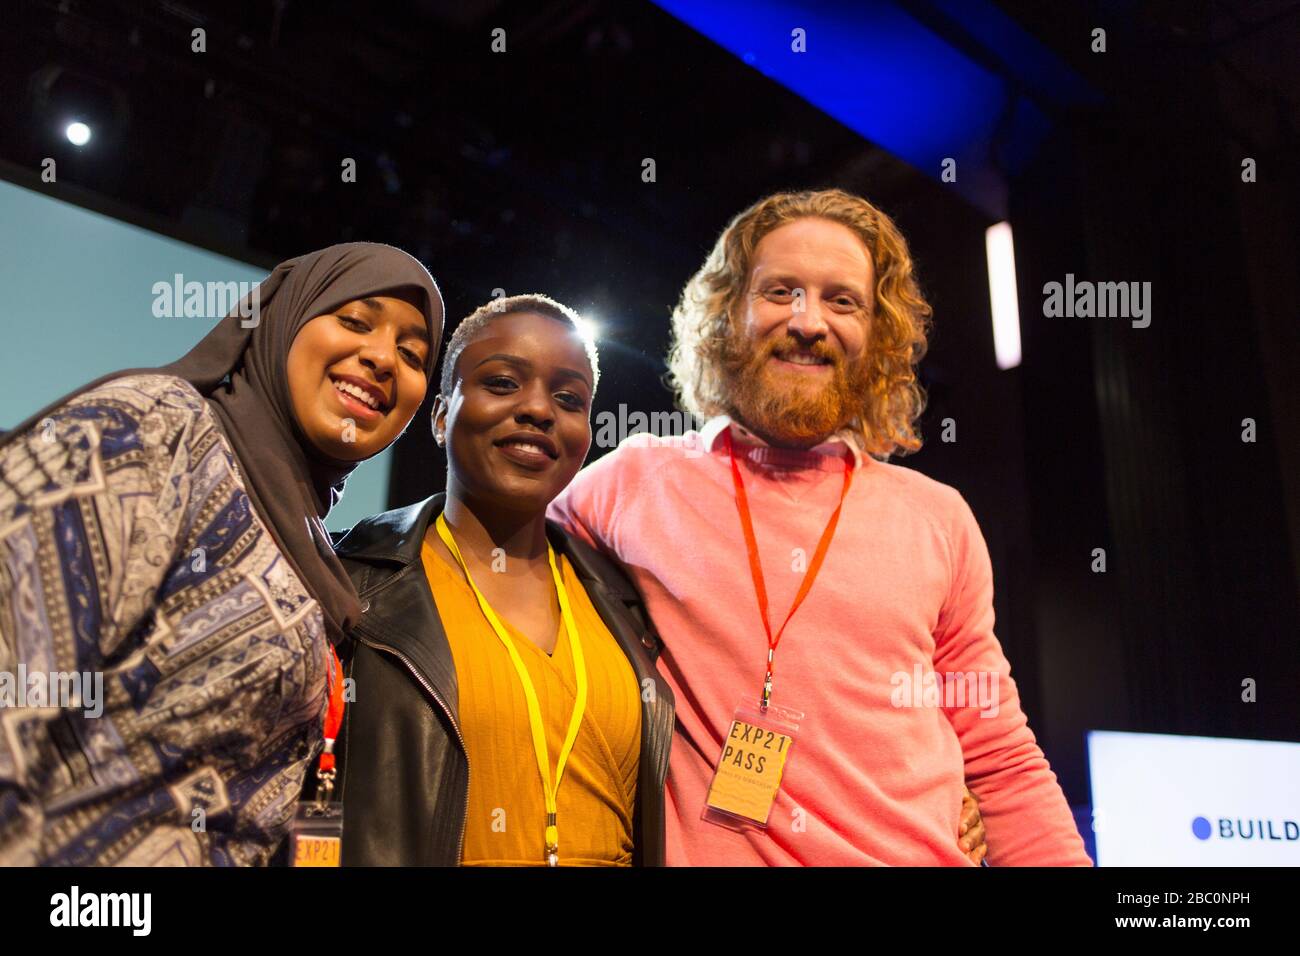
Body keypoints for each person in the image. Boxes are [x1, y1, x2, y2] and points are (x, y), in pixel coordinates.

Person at [549, 188, 1091, 866]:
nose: (809, 321)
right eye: (781, 292)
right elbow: (488, 574)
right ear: (728, 314)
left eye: (843, 301)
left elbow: (998, 753)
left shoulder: (939, 518)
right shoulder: (633, 483)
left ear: (879, 335)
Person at [0, 242, 443, 865]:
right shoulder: (156, 431)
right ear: (285, 319)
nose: (381, 357)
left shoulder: (308, 544)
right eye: (354, 321)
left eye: (412, 353)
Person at [322, 294, 676, 866]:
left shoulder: (627, 605)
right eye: (503, 383)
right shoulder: (351, 587)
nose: (539, 410)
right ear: (440, 415)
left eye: (568, 399)